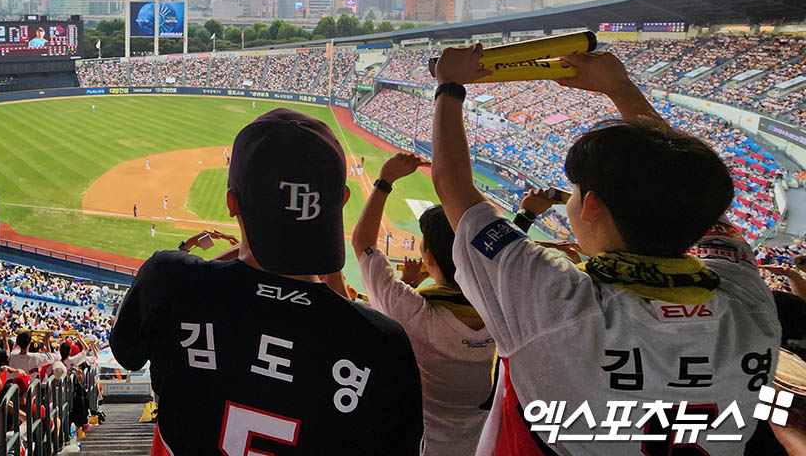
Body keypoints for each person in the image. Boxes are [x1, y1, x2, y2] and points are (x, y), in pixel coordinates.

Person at [430, 47, 780, 453]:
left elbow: (452, 186)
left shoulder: (556, 306)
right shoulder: (748, 306)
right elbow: (688, 190)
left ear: (592, 205)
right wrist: (620, 87)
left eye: (576, 191)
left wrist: (449, 84)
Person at [111, 108, 425, 455]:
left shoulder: (168, 282)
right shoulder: (384, 346)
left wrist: (222, 261)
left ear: (232, 202)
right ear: (342, 201)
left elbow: (128, 352)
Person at [353, 151, 495, 455]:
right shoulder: (508, 311)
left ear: (429, 258)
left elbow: (363, 243)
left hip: (418, 445)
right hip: (481, 446)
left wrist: (385, 179)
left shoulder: (412, 310)